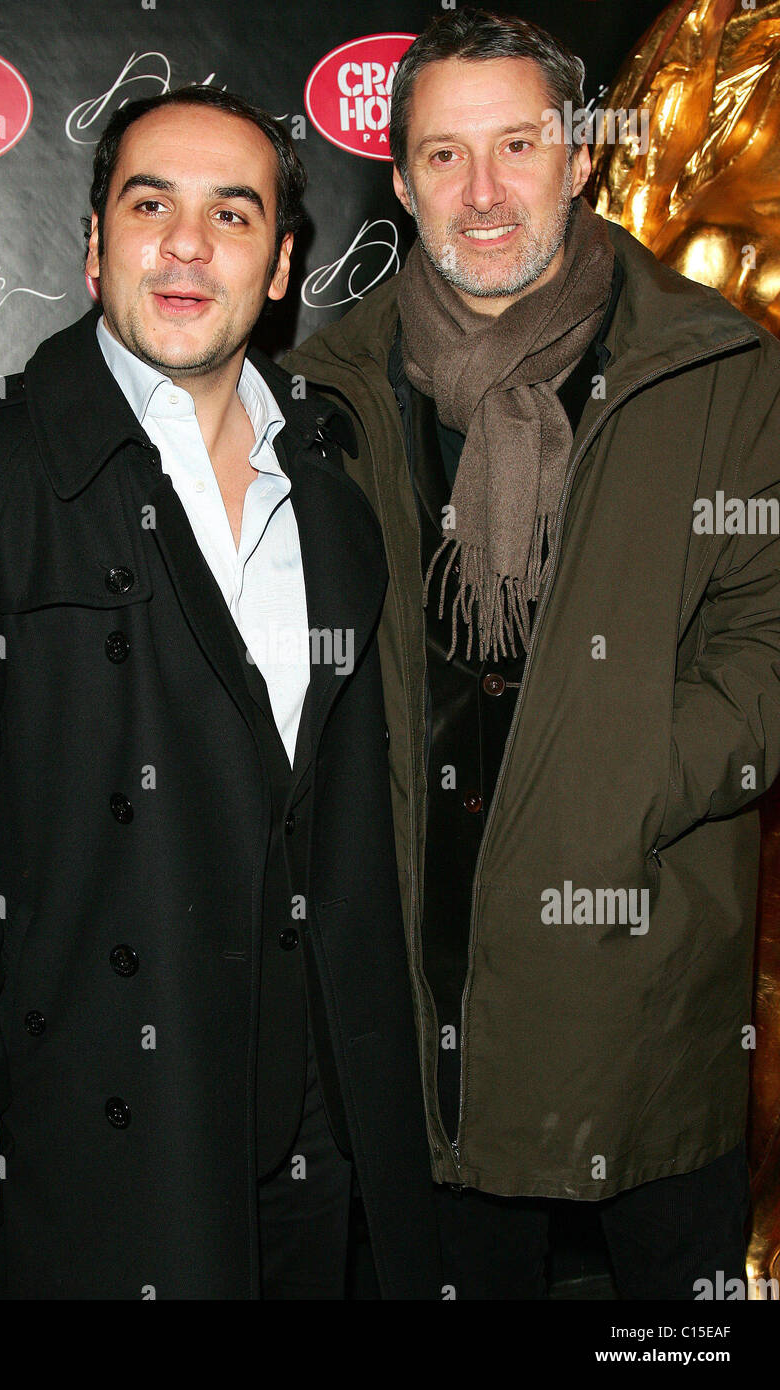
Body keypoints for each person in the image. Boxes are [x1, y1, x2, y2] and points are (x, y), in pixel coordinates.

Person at [0, 85, 441, 1300]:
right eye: (150, 203)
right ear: (94, 245)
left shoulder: (333, 481)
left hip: (312, 1104)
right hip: (97, 1091)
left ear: (279, 268)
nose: (185, 243)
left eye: (232, 214)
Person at [284, 8, 780, 1299]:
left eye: (518, 144)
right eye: (445, 156)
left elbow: (769, 638)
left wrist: (623, 776)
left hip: (644, 995)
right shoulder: (330, 390)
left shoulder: (717, 369)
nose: (485, 191)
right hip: (422, 1021)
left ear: (580, 158)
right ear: (398, 180)